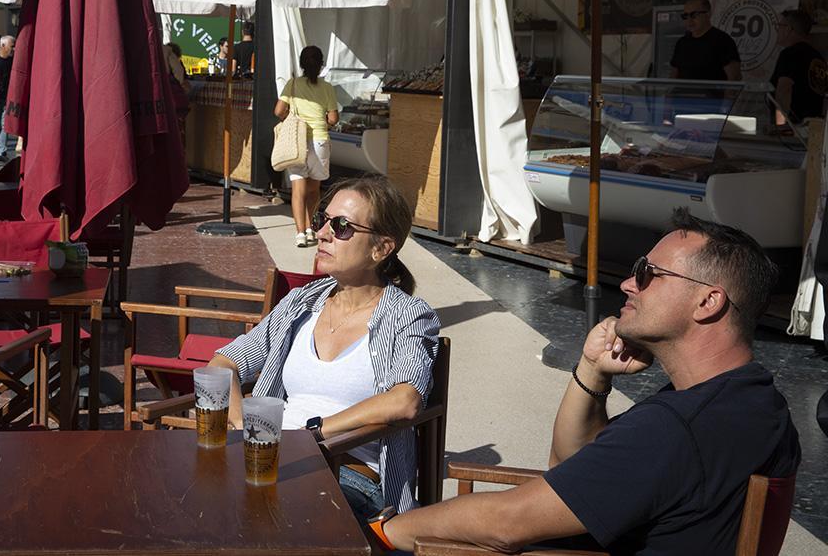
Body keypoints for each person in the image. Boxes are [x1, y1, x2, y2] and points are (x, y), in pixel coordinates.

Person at [375, 209, 801, 555]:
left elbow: (508, 524)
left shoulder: (677, 428)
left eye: (651, 273)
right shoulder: (756, 403)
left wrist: (384, 532)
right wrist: (593, 370)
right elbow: (572, 470)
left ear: (708, 301)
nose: (631, 283)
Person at [210, 174, 439, 522]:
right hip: (272, 461)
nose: (322, 233)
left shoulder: (407, 316)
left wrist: (315, 433)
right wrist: (244, 424)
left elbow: (405, 401)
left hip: (346, 475)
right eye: (322, 220)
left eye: (342, 226)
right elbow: (223, 363)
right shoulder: (301, 303)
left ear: (381, 248)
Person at [276, 45, 339, 247]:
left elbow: (278, 110)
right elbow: (333, 118)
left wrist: (291, 118)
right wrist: (325, 121)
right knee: (314, 190)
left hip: (297, 141)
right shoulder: (327, 87)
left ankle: (300, 233)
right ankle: (311, 228)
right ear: (321, 65)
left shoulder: (292, 84)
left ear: (302, 64)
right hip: (319, 140)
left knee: (298, 190)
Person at [770, 8, 826, 125]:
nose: (777, 30)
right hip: (812, 126)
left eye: (779, 26)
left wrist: (780, 124)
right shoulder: (818, 57)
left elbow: (784, 89)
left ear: (788, 29)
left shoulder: (790, 54)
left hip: (794, 129)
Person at [669, 0, 742, 81]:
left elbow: (734, 78)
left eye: (694, 15)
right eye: (685, 16)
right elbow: (674, 74)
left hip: (713, 94)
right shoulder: (682, 42)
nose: (689, 20)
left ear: (708, 14)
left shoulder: (722, 41)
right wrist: (669, 92)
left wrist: (727, 94)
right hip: (683, 93)